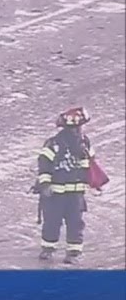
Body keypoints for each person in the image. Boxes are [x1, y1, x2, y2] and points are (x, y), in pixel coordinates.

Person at [33, 106, 95, 264]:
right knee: (51, 222)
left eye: (79, 127)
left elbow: (91, 165)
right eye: (74, 128)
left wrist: (94, 181)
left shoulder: (85, 143)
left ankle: (73, 253)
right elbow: (44, 165)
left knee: (76, 224)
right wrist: (45, 185)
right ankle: (48, 249)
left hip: (76, 195)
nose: (77, 130)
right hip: (55, 194)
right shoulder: (53, 144)